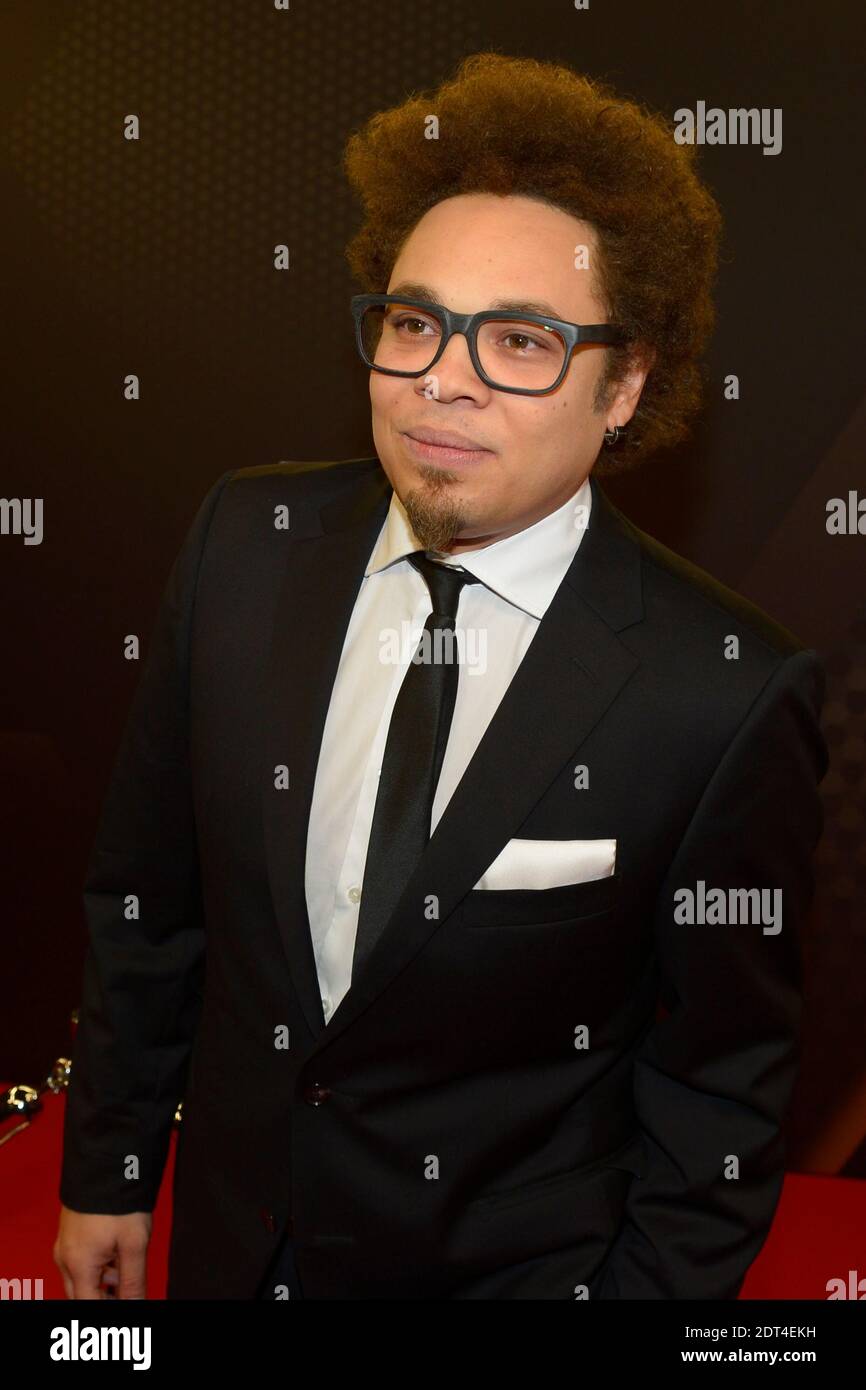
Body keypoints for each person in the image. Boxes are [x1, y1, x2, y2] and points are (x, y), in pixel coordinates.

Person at [55, 52, 828, 1300]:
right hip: (228, 1254)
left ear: (622, 384)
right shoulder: (244, 547)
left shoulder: (721, 688)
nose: (441, 377)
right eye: (414, 321)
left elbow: (717, 1084)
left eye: (519, 339)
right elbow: (149, 903)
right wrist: (110, 1169)